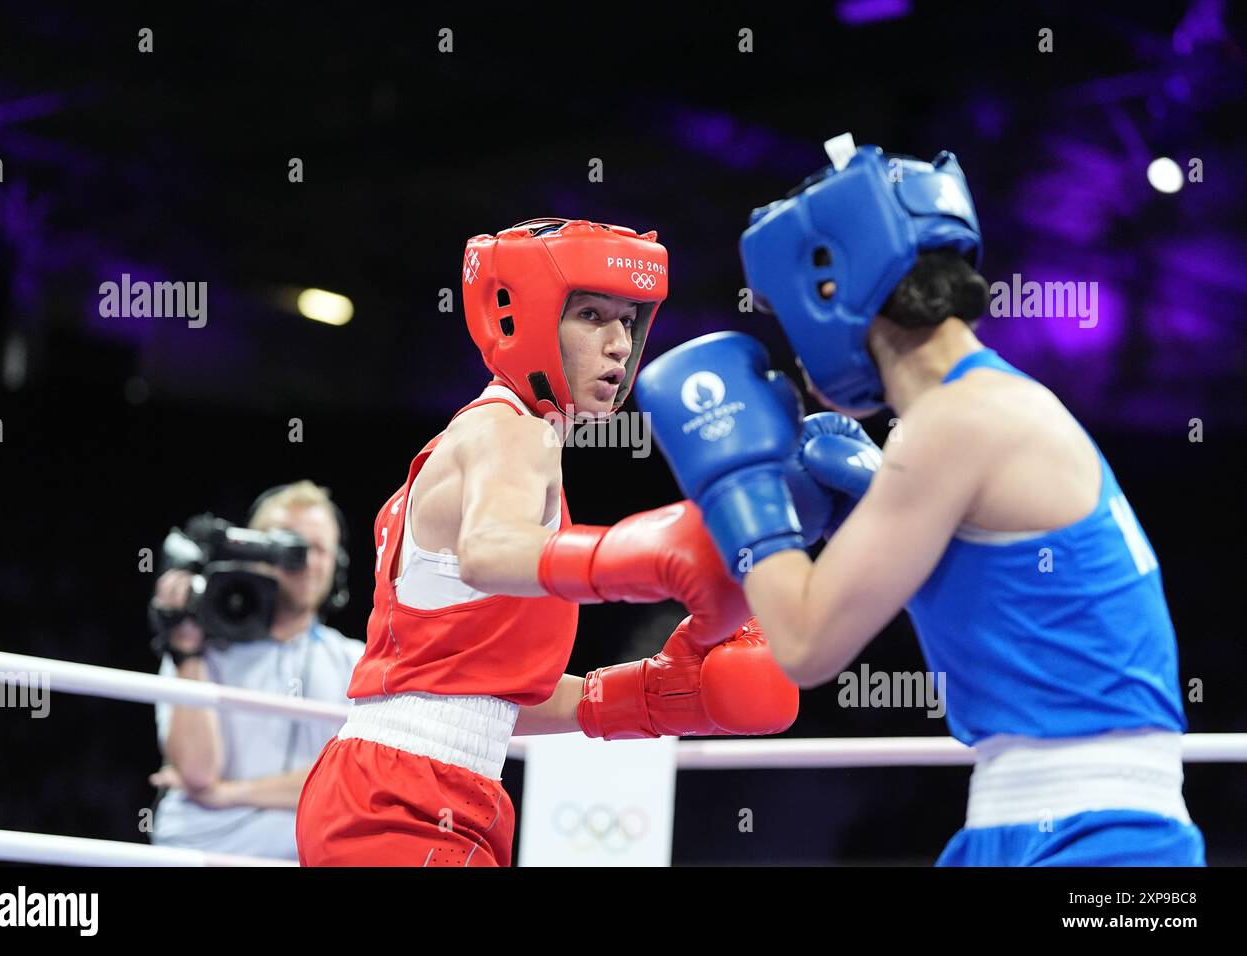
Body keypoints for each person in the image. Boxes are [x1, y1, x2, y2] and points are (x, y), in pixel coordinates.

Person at [635, 137, 1204, 866]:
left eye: (787, 315)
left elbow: (805, 644)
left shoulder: (956, 424)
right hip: (1027, 818)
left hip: (1102, 842)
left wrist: (735, 482)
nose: (794, 347)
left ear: (829, 287)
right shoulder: (981, 410)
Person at [296, 218, 798, 867]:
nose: (619, 344)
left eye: (628, 320)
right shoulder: (514, 435)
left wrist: (642, 698)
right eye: (591, 315)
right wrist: (644, 557)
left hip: (407, 783)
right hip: (405, 794)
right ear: (524, 316)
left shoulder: (503, 439)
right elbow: (486, 552)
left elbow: (477, 697)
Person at [149, 480, 364, 860]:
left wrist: (228, 794)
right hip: (197, 852)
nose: (306, 562)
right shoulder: (199, 651)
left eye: (319, 549)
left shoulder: (357, 663)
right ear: (256, 551)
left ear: (337, 564)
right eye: (292, 546)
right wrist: (187, 651)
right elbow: (198, 774)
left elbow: (350, 783)